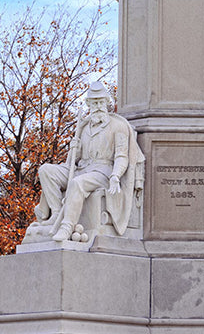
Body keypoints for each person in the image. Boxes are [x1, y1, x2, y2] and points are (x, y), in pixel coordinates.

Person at [34, 79, 144, 243]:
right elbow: (73, 162)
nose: (98, 106)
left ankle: (67, 226)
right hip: (82, 168)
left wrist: (115, 176)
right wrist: (74, 150)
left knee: (77, 184)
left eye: (101, 102)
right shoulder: (83, 127)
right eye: (94, 102)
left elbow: (122, 156)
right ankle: (56, 213)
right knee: (45, 170)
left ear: (107, 103)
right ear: (89, 104)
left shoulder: (118, 126)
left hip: (103, 171)